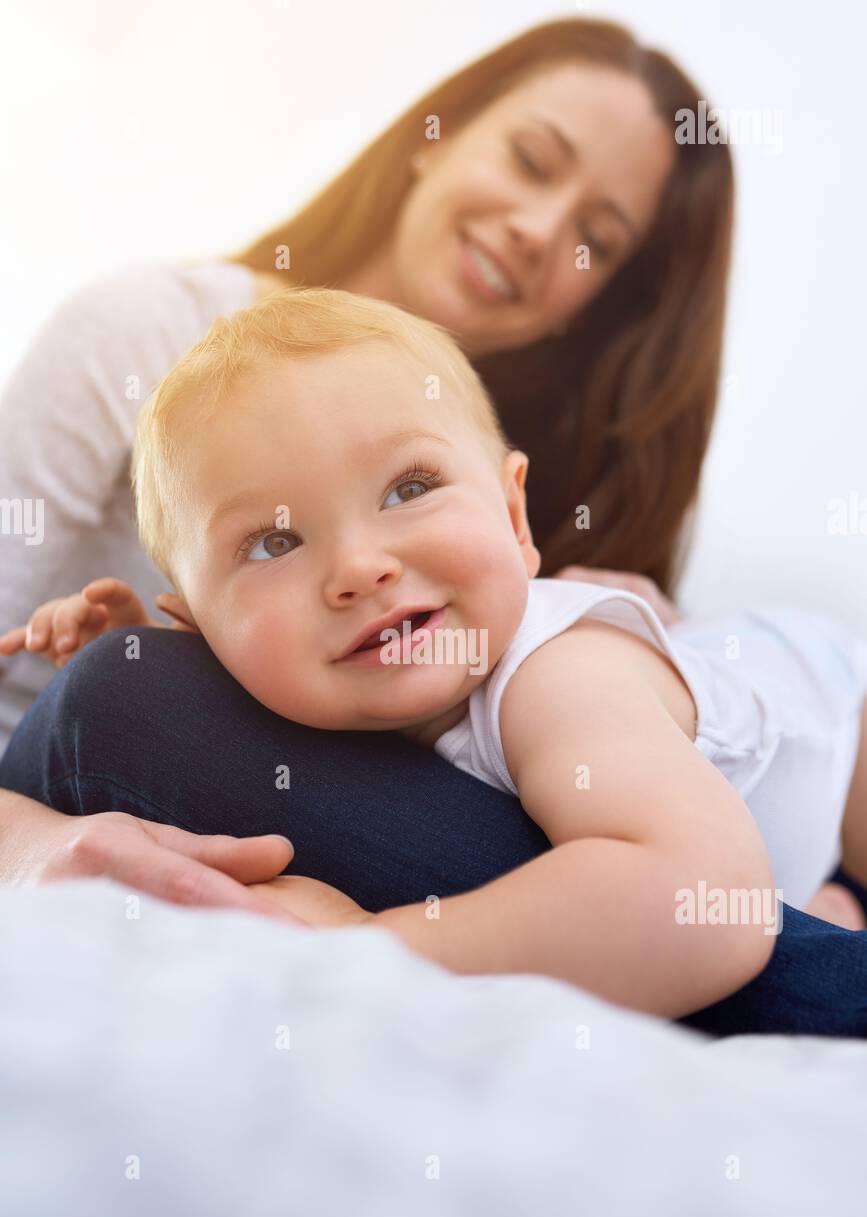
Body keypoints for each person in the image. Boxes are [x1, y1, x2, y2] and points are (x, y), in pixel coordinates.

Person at [6, 287, 867, 1023]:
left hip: (830, 702)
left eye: (407, 490)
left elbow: (704, 909)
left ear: (516, 517)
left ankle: (837, 884)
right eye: (272, 545)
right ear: (201, 636)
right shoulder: (348, 685)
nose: (358, 567)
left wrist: (368, 949)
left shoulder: (560, 682)